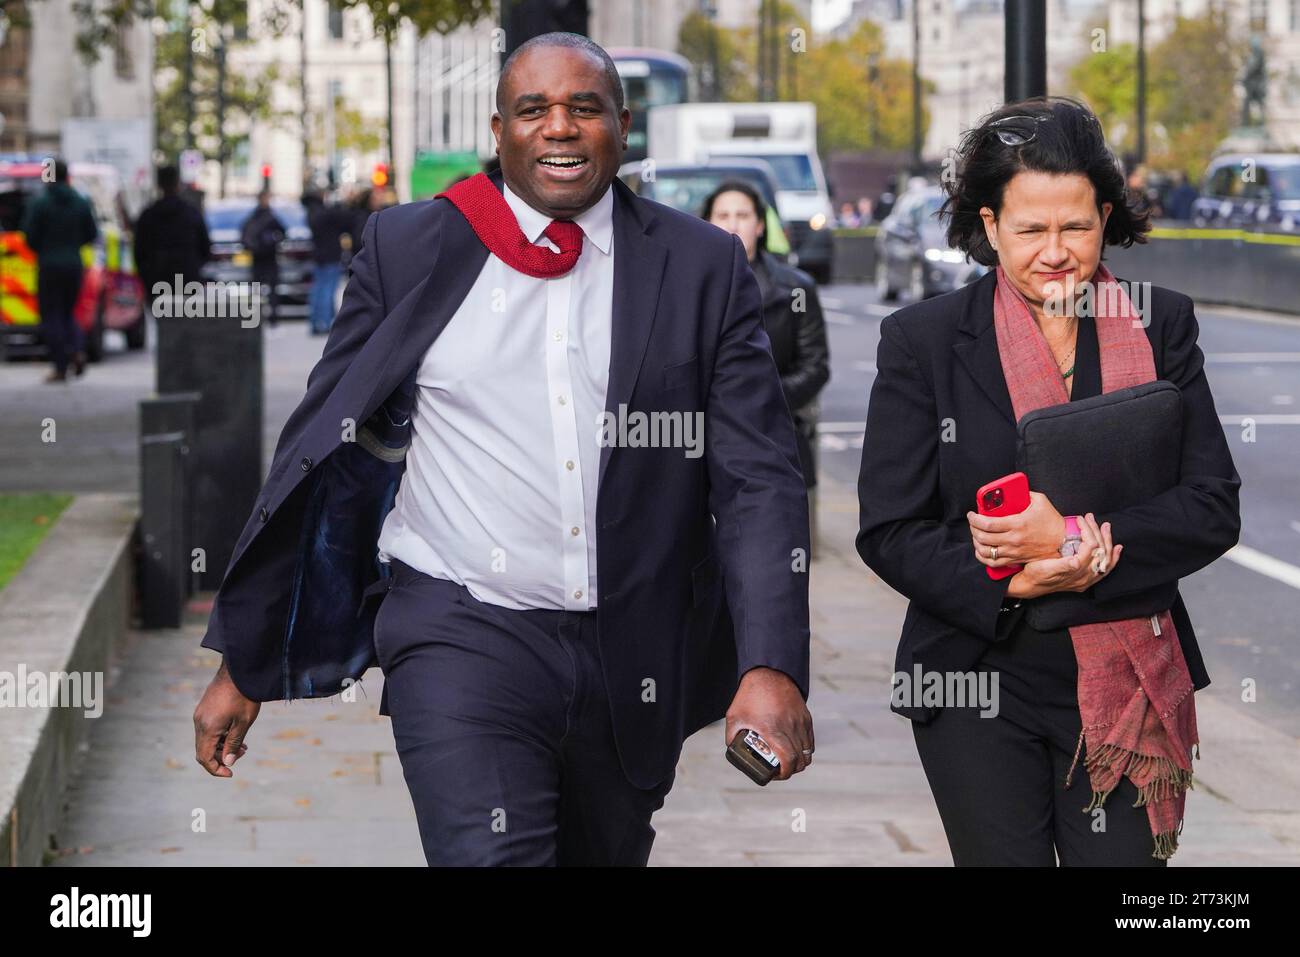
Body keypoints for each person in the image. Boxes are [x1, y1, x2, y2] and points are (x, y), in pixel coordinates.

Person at [193, 32, 814, 866]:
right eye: (534, 109)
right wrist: (248, 654)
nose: (559, 127)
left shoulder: (702, 267)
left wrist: (770, 661)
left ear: (623, 127)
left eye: (584, 108)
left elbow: (757, 480)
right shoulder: (411, 248)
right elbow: (318, 446)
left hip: (633, 652)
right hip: (459, 631)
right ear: (499, 130)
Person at [856, 97, 1241, 865]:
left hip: (1127, 672)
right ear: (990, 226)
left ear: (1107, 214)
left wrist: (1078, 542)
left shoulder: (1160, 324)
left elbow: (1211, 505)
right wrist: (1014, 578)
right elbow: (890, 529)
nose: (1056, 251)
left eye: (1077, 226)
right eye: (1030, 229)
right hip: (975, 675)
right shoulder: (924, 342)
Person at [702, 179, 829, 518]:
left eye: (742, 215)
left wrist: (760, 399)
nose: (732, 223)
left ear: (759, 225)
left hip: (774, 437)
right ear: (707, 223)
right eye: (722, 215)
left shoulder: (795, 288)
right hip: (700, 443)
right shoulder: (685, 285)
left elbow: (815, 366)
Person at [21, 158, 97, 382]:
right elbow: (91, 233)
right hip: (73, 264)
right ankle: (76, 349)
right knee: (68, 312)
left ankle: (60, 366)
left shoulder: (40, 203)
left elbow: (29, 236)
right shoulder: (80, 202)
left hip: (48, 265)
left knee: (51, 315)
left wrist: (46, 248)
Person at [134, 165, 211, 323]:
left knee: (164, 327)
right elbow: (205, 248)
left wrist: (147, 275)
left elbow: (139, 251)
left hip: (157, 280)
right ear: (178, 183)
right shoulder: (191, 214)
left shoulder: (148, 215)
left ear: (158, 185)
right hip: (187, 279)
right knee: (186, 325)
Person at [302, 190, 353, 336]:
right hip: (331, 255)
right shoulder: (325, 213)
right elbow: (344, 219)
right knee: (328, 290)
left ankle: (316, 321)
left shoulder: (311, 214)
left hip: (318, 256)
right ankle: (324, 322)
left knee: (318, 290)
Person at [240, 192, 285, 329]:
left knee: (258, 289)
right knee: (269, 289)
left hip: (259, 258)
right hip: (266, 257)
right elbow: (283, 232)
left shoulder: (253, 217)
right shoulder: (269, 216)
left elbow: (244, 236)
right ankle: (269, 318)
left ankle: (258, 317)